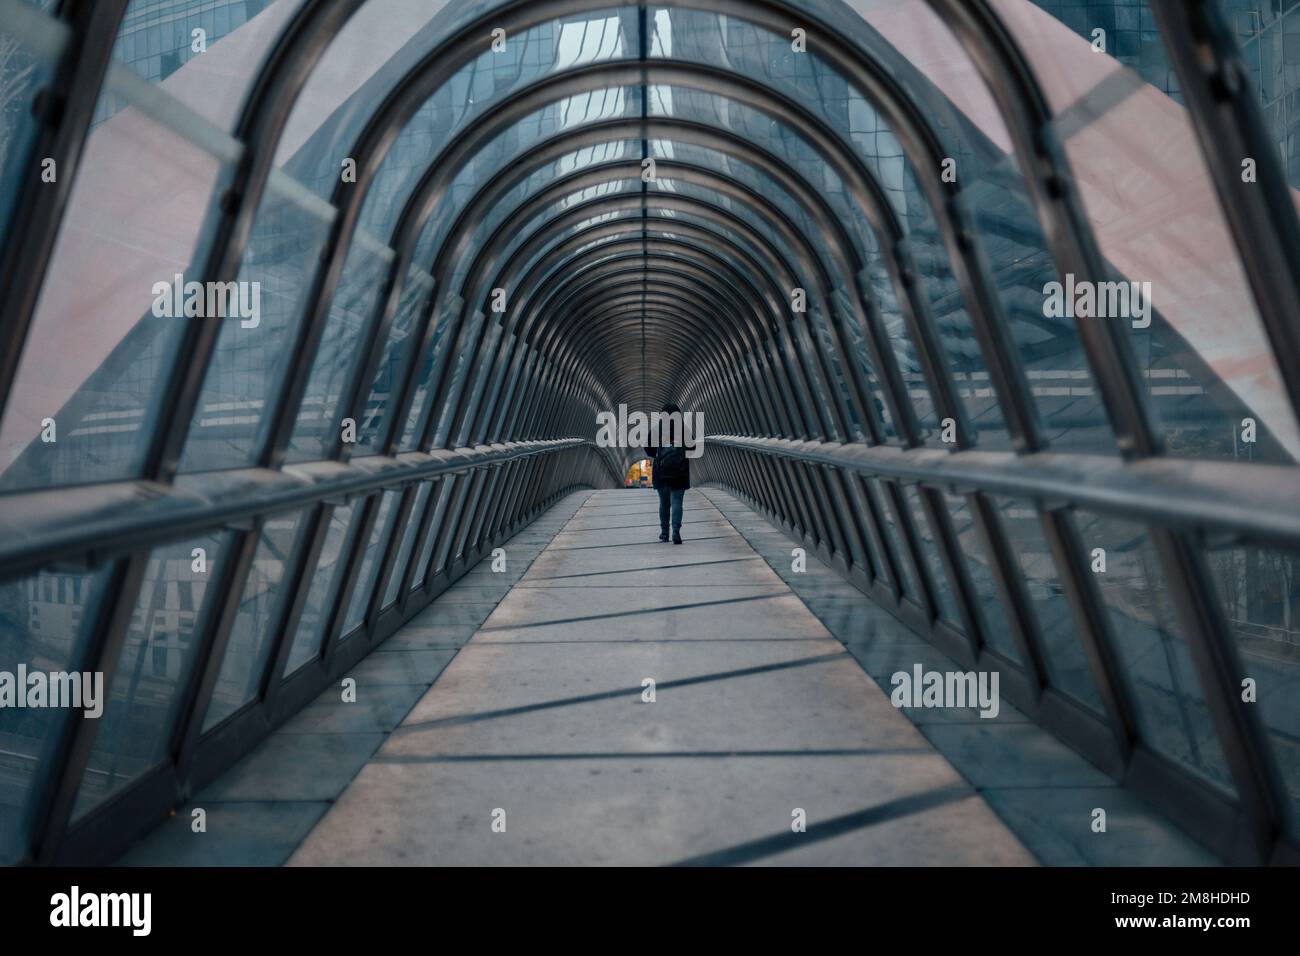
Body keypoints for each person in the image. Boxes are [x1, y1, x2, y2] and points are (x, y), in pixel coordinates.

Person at [645, 402, 690, 544]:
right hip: (680, 471)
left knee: (664, 503)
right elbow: (693, 446)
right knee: (677, 501)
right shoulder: (683, 429)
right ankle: (676, 531)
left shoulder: (657, 429)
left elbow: (648, 449)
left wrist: (659, 455)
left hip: (661, 471)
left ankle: (664, 533)